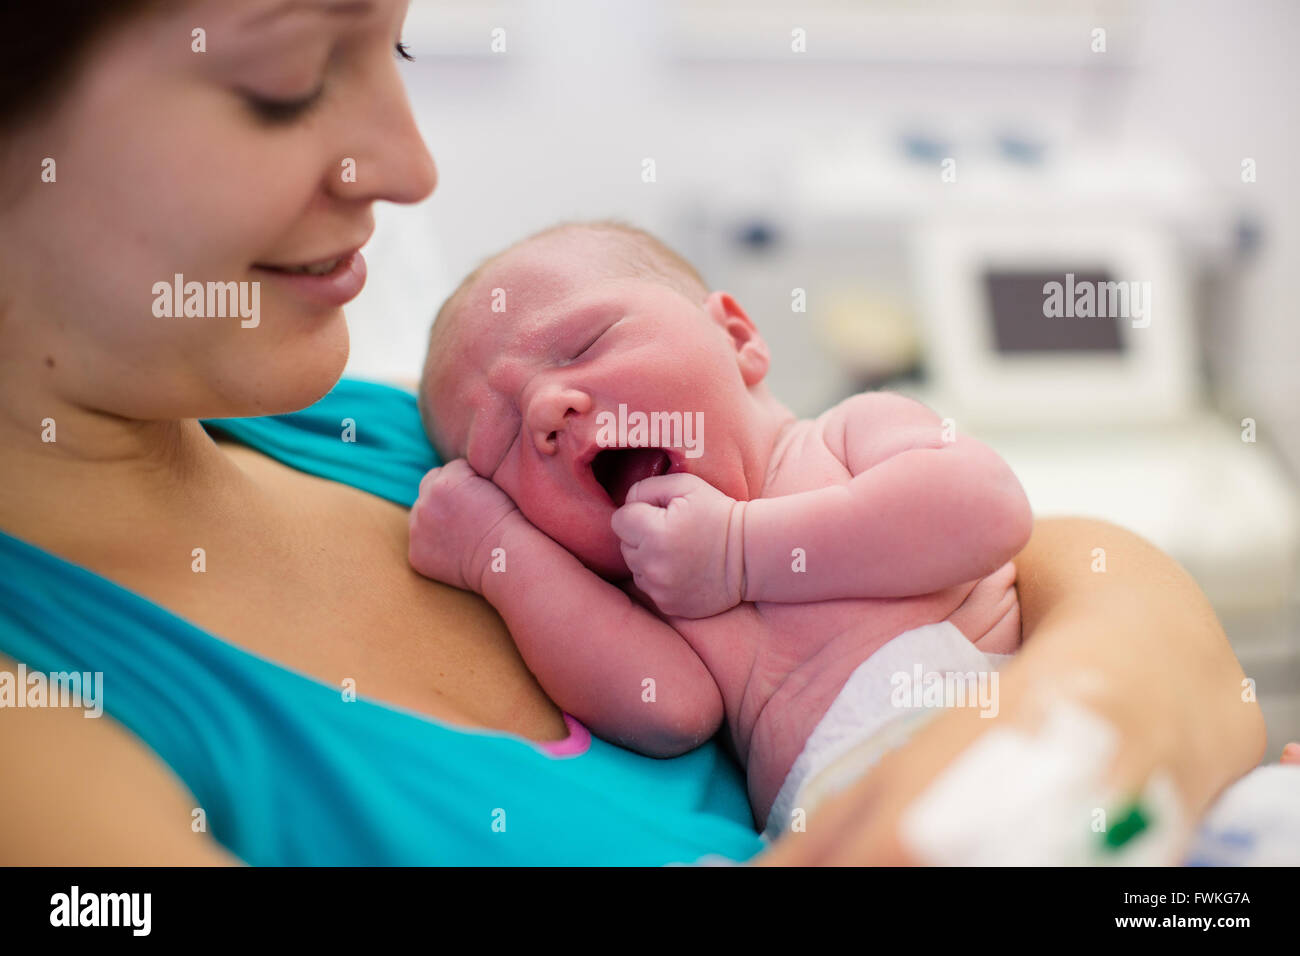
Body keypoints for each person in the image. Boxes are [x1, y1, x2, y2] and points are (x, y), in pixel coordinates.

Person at [0, 0, 1266, 865]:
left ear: (737, 332)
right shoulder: (49, 739)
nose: (408, 161)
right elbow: (661, 700)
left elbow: (1022, 534)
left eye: (403, 47)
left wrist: (1106, 695)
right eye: (282, 84)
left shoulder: (354, 428)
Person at [412, 220, 1032, 836]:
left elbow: (987, 507)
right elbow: (668, 713)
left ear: (737, 337)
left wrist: (739, 552)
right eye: (502, 441)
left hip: (1020, 745)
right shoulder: (655, 598)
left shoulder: (845, 436)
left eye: (585, 346)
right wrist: (498, 551)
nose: (547, 408)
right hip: (847, 826)